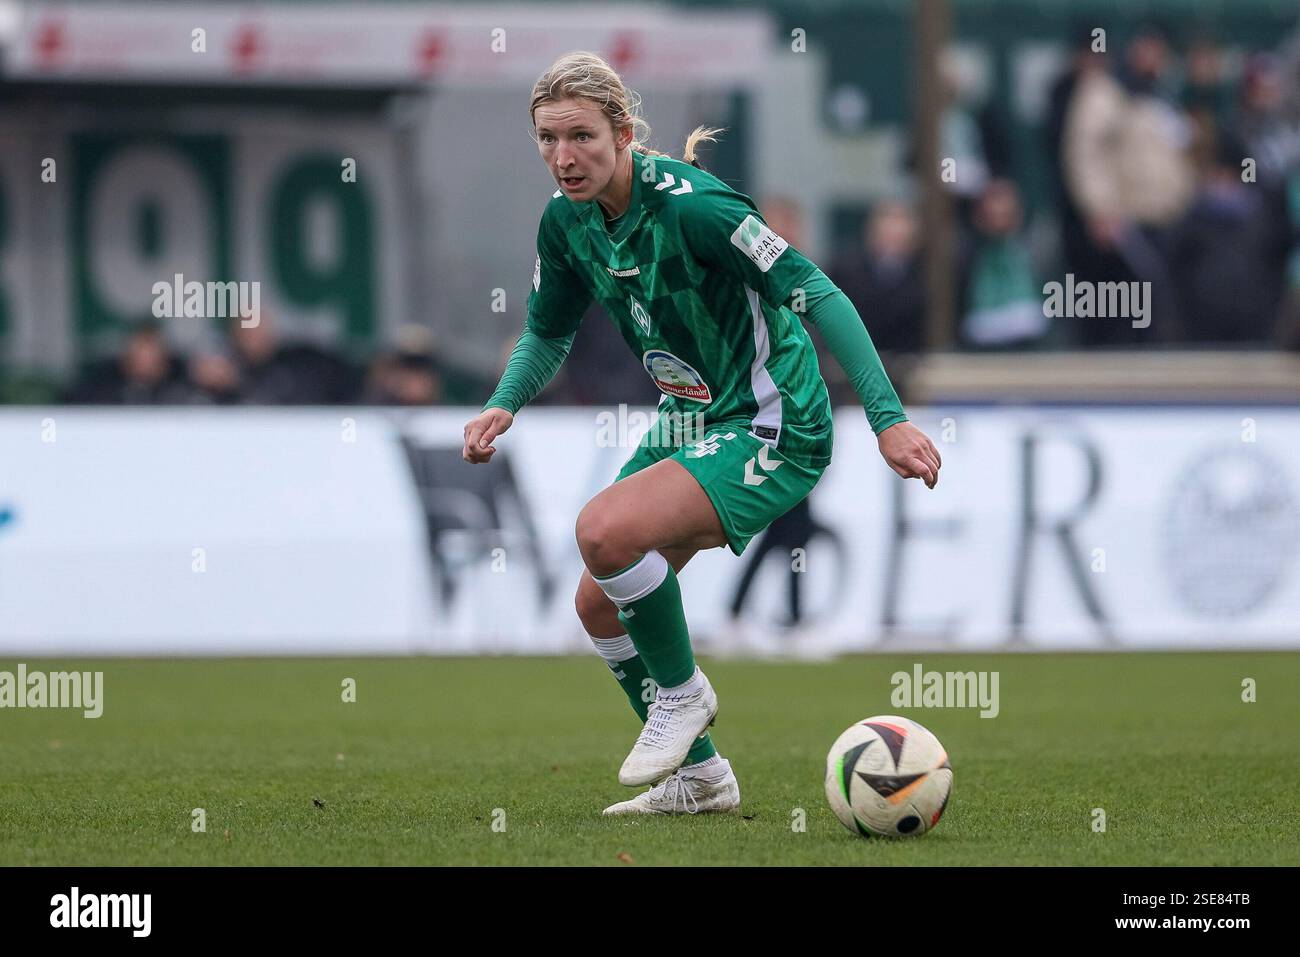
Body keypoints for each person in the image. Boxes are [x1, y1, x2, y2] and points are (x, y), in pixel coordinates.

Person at [461, 51, 941, 817]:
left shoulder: (696, 209)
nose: (563, 157)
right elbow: (546, 333)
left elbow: (817, 290)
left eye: (581, 136)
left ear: (622, 132)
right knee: (595, 604)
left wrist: (887, 419)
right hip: (690, 417)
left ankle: (683, 695)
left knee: (601, 530)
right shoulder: (566, 222)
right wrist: (505, 401)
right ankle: (705, 778)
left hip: (772, 418)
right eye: (548, 139)